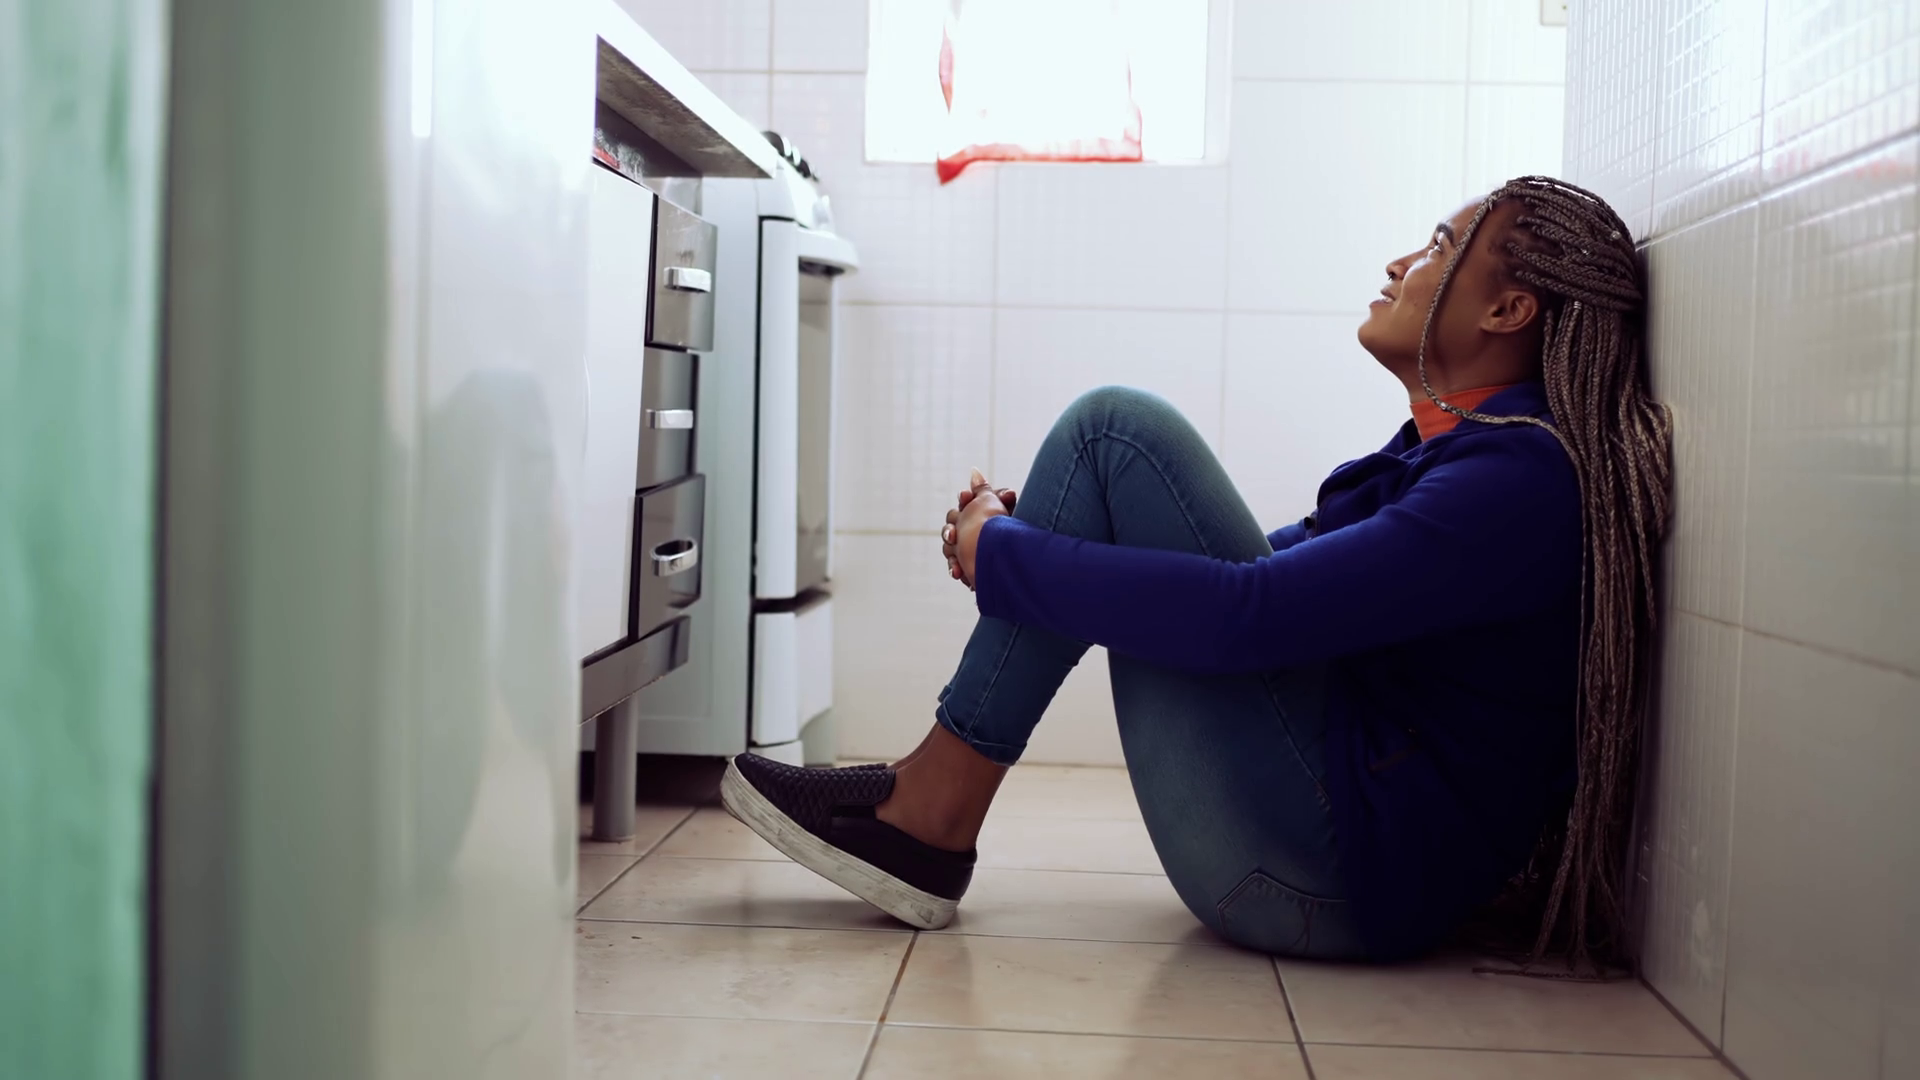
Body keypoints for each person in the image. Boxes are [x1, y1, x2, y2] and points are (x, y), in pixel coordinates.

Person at [720, 176, 1672, 967]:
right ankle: (926, 807)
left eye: (1434, 246)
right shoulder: (1464, 457)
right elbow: (1270, 568)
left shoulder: (1517, 480)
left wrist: (1008, 556)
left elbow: (1243, 616)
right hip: (1318, 865)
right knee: (1105, 460)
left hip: (1317, 886)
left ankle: (925, 813)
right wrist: (1041, 544)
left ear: (1509, 309)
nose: (1397, 264)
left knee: (1113, 431)